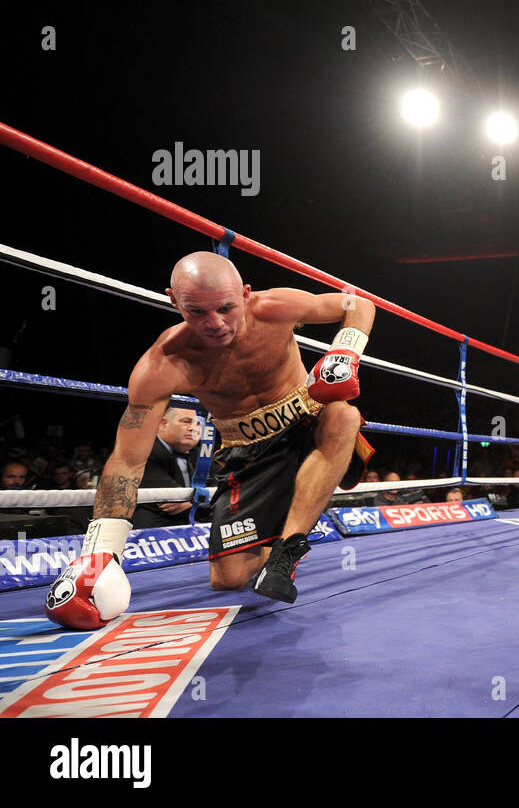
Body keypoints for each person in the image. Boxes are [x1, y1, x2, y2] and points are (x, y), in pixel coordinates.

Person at [44, 252, 375, 630]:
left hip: (309, 421)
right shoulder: (163, 365)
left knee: (343, 413)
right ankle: (290, 519)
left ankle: (290, 547)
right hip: (247, 451)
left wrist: (344, 353)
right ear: (173, 301)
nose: (215, 323)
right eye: (197, 312)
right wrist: (101, 550)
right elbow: (127, 460)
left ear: (246, 294)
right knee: (229, 579)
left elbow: (357, 304)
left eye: (226, 307)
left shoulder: (276, 308)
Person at [133, 404, 203, 529]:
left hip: (190, 527)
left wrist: (192, 503)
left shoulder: (201, 455)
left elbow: (219, 494)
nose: (193, 428)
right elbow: (174, 501)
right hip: (148, 531)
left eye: (198, 424)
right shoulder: (144, 451)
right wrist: (202, 502)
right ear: (163, 423)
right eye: (186, 422)